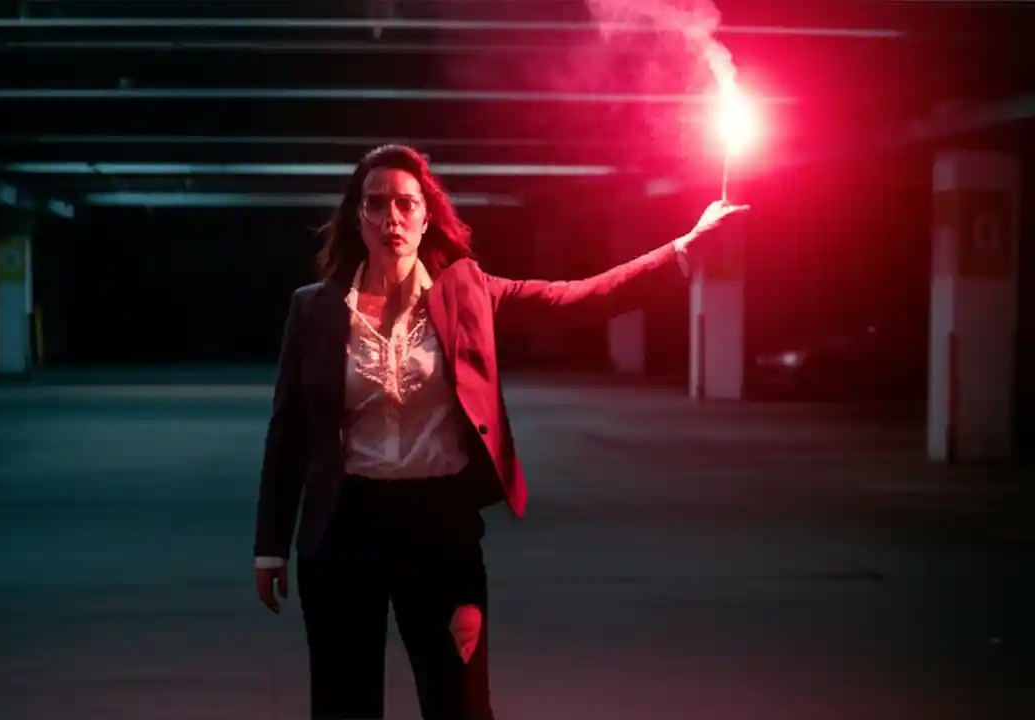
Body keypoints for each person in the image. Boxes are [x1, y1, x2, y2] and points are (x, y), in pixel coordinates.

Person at [254, 144, 747, 719]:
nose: (392, 218)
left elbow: (573, 300)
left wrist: (681, 253)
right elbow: (287, 431)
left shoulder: (468, 293)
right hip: (343, 530)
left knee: (459, 704)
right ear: (356, 215)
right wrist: (270, 547)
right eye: (377, 204)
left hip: (439, 529)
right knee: (344, 704)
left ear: (426, 216)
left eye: (406, 204)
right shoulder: (314, 310)